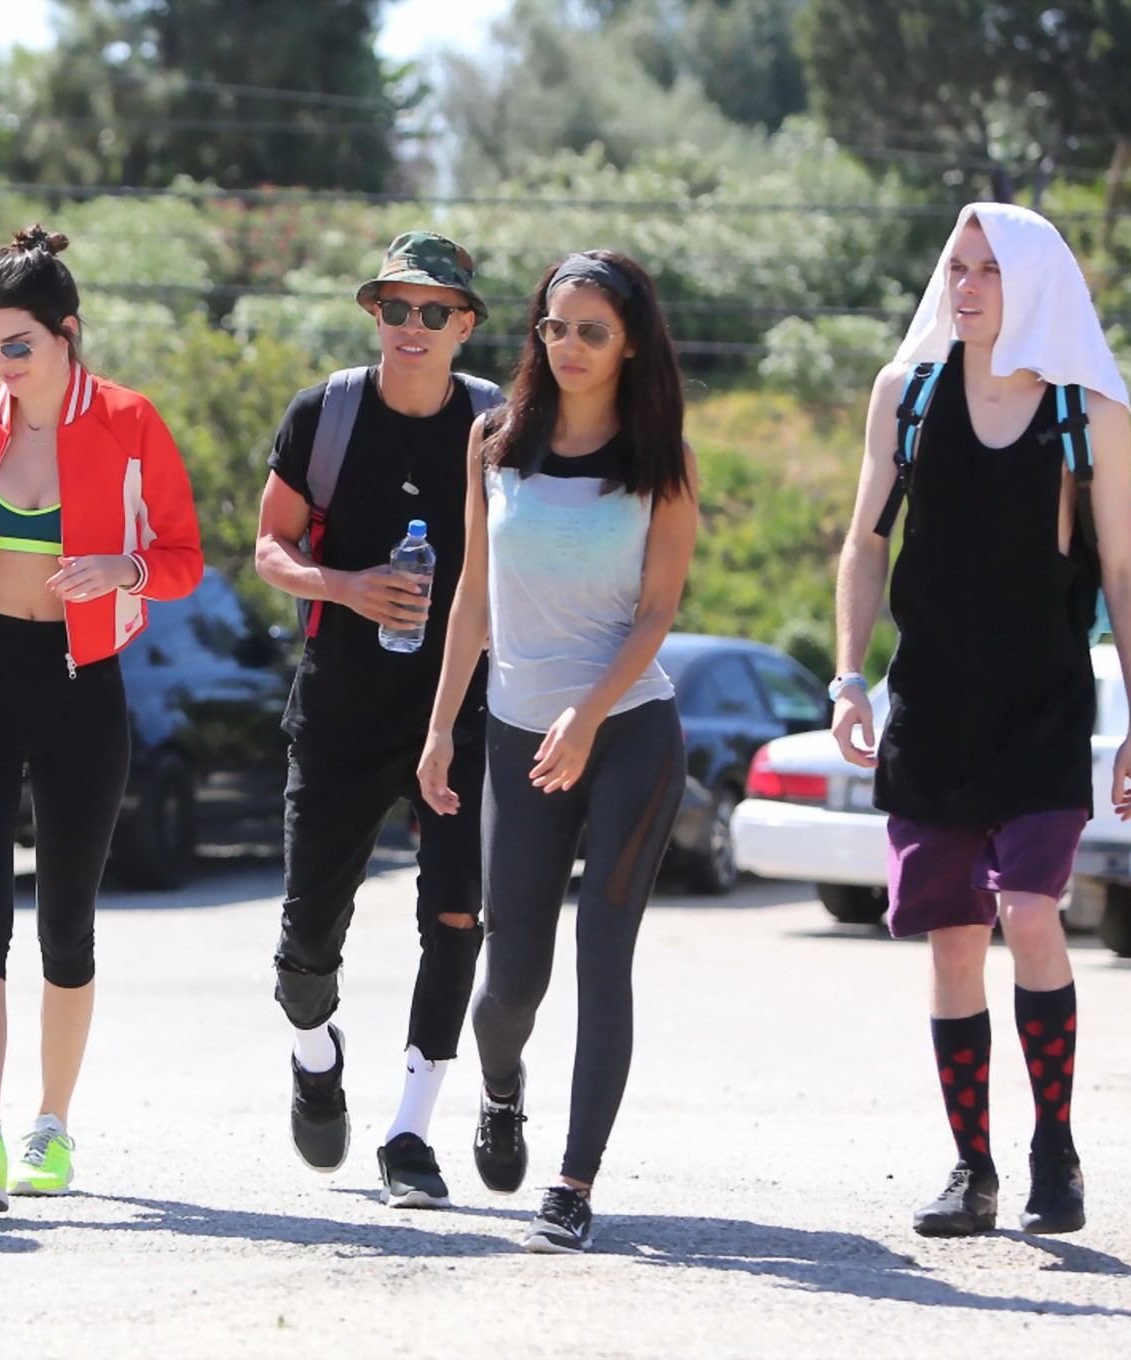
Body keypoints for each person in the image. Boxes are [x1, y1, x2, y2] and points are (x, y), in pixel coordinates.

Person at [832, 203, 1131, 1238]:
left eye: (986, 270)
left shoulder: (1085, 412)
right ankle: (970, 1168)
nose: (962, 286)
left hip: (1045, 709)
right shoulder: (908, 395)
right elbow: (863, 545)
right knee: (952, 940)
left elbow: (1123, 570)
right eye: (953, 267)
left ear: (1033, 284)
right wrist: (848, 677)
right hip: (931, 710)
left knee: (1027, 911)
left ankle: (1051, 1146)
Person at [418, 250, 697, 1253]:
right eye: (552, 327)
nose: (567, 347)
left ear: (628, 343)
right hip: (516, 732)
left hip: (627, 730)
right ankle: (502, 1088)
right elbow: (474, 597)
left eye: (590, 331)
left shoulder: (659, 455)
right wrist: (444, 723)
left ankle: (572, 1185)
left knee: (602, 955)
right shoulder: (492, 441)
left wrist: (589, 712)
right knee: (509, 985)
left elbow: (659, 608)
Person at [0, 226, 203, 1213]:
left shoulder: (128, 421)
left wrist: (122, 568)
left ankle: (50, 1122)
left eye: (19, 345)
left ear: (67, 332)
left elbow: (182, 556)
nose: (0, 366)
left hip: (83, 683)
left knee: (67, 920)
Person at [255, 231, 500, 1208]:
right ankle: (316, 1056)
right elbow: (269, 547)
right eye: (394, 308)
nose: (410, 326)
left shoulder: (498, 425)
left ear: (464, 325)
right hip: (342, 708)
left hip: (462, 712)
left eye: (431, 311)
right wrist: (345, 586)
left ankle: (408, 1132)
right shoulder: (327, 413)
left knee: (454, 918)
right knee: (307, 940)